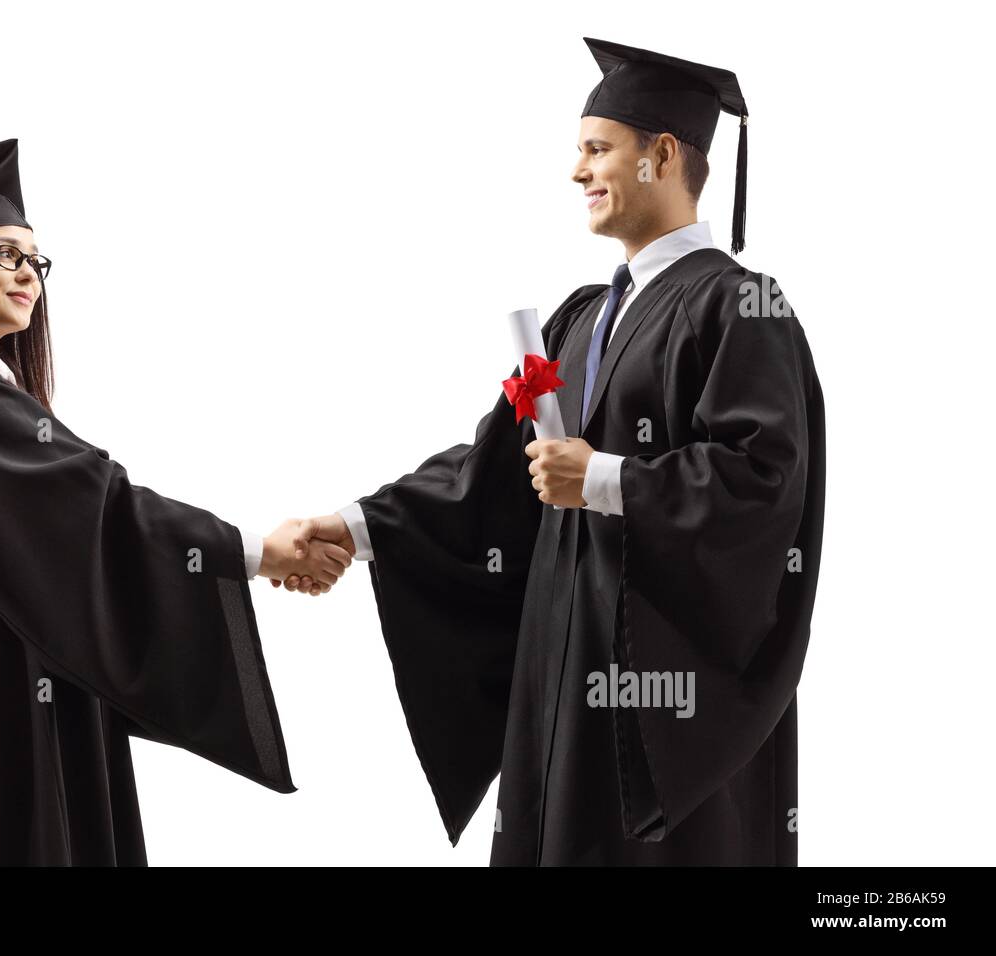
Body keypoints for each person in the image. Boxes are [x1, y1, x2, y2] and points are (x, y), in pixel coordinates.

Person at [281, 38, 826, 866]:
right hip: (563, 688)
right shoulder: (579, 319)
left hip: (667, 715)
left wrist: (603, 478)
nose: (577, 172)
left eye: (596, 149)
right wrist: (352, 530)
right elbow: (487, 477)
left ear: (663, 155)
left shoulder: (742, 306)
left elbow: (764, 482)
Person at [0, 139, 351, 865]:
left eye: (36, 261)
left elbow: (73, 522)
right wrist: (250, 551)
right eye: (6, 255)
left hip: (16, 706)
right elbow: (95, 509)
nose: (29, 276)